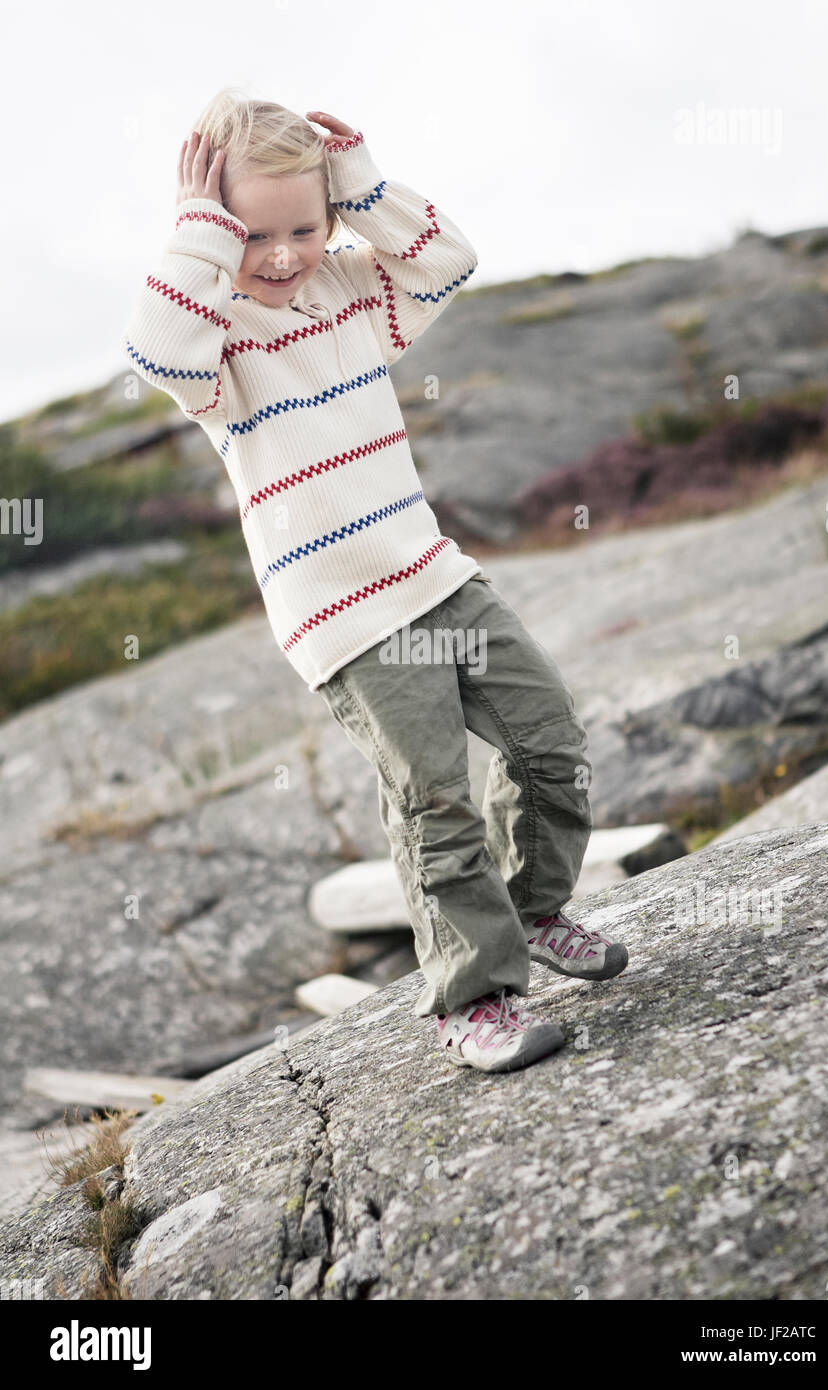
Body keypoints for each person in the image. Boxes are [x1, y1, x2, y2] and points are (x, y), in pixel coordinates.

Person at [121, 87, 628, 1075]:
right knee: (434, 796)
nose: (277, 255)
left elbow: (446, 259)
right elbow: (153, 346)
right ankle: (472, 999)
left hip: (433, 574)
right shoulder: (216, 344)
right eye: (249, 234)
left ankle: (535, 909)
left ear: (328, 213)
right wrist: (196, 233)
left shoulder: (351, 291)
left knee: (549, 738)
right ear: (218, 231)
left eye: (300, 227)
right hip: (346, 620)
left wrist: (358, 186)